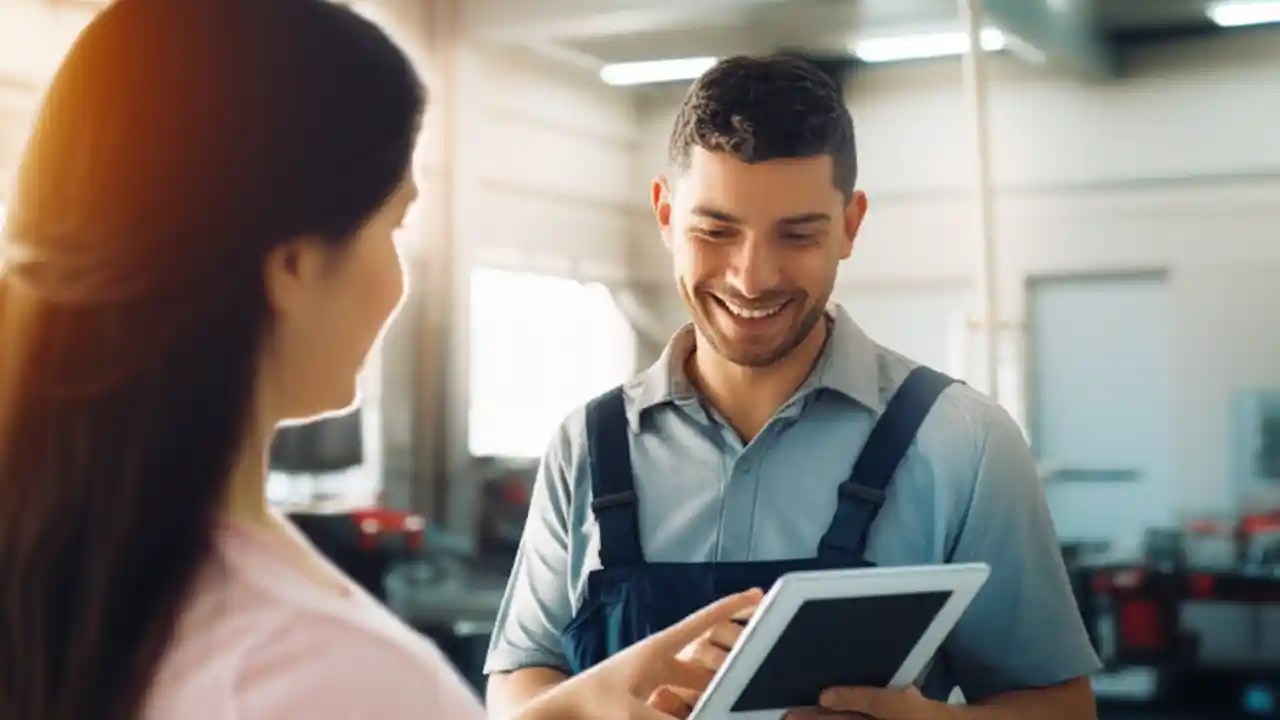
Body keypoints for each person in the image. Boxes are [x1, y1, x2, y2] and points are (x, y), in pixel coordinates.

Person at [0, 0, 753, 718]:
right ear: (291, 263)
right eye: (395, 225)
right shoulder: (332, 674)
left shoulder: (66, 586)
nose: (398, 279)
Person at [485, 54, 1101, 719]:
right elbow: (519, 680)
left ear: (850, 225)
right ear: (665, 214)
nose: (752, 278)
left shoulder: (964, 444)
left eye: (798, 235)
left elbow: (1060, 705)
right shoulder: (588, 445)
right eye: (715, 231)